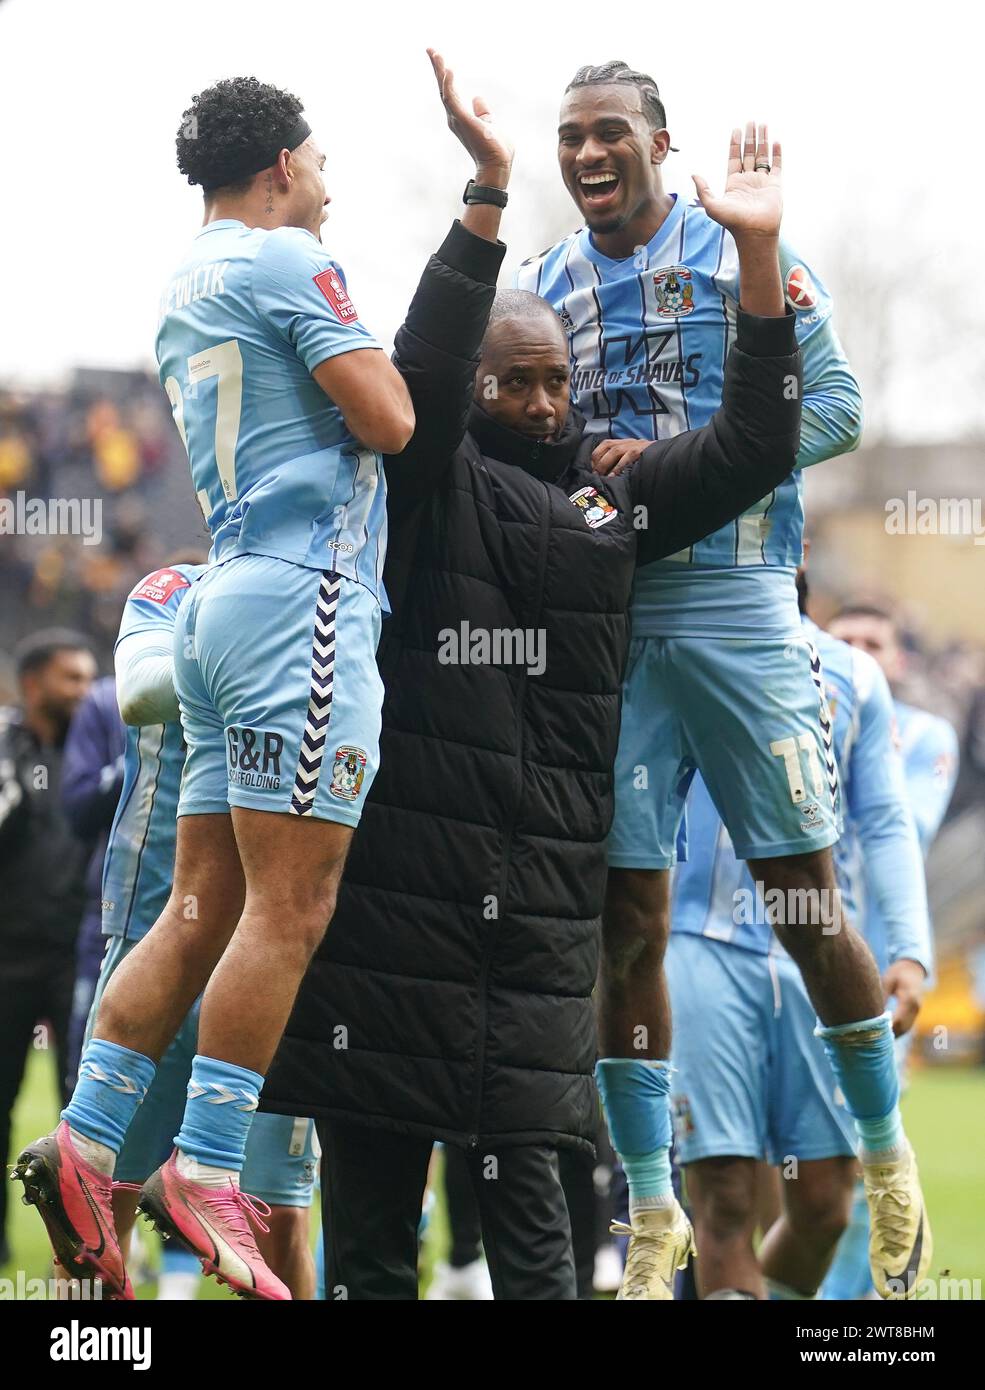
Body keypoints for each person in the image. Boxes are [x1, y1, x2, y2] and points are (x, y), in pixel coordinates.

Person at [262, 50, 802, 1299]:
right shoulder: (418, 484)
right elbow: (429, 372)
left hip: (535, 938)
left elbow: (752, 444)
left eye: (558, 378)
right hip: (393, 930)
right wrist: (489, 190)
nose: (541, 399)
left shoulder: (609, 506)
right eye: (515, 379)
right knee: (376, 1257)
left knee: (541, 1264)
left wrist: (759, 258)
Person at [516, 60, 928, 1301]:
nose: (588, 155)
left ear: (658, 142)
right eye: (569, 138)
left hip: (746, 609)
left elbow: (839, 405)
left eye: (609, 135)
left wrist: (699, 461)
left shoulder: (742, 246)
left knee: (805, 901)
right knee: (624, 921)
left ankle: (886, 1148)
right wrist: (588, 452)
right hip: (617, 619)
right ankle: (648, 1208)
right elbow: (535, 430)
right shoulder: (545, 281)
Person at [14, 77, 414, 1301]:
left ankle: (85, 1142)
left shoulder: (183, 281)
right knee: (290, 911)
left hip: (219, 594)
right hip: (307, 598)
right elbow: (392, 420)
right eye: (326, 168)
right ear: (285, 164)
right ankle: (209, 1161)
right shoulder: (292, 260)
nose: (332, 192)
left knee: (202, 904)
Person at [666, 566, 932, 1299]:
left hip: (817, 954)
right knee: (721, 1193)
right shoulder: (674, 644)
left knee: (821, 1203)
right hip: (699, 946)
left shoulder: (853, 678)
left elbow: (885, 821)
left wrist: (908, 951)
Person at [63, 563, 318, 1300]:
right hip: (154, 945)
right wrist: (262, 653)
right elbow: (141, 692)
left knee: (275, 1218)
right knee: (94, 1206)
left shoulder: (326, 594)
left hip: (273, 955)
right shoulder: (173, 586)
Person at [822, 602, 959, 1300]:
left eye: (872, 642)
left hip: (878, 975)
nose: (857, 651)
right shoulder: (793, 725)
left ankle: (859, 1302)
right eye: (842, 640)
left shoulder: (926, 735)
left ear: (897, 659)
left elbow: (900, 827)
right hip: (782, 967)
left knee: (859, 1155)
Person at [0, 631, 95, 1267]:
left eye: (91, 678)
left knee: (84, 1118)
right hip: (5, 959)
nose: (86, 691)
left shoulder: (97, 753)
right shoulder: (6, 749)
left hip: (78, 959)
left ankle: (86, 1249)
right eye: (72, 679)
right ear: (34, 684)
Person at [60, 674, 126, 1090]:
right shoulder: (105, 701)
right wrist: (145, 757)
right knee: (89, 1065)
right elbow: (78, 806)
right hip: (114, 912)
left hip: (215, 913)